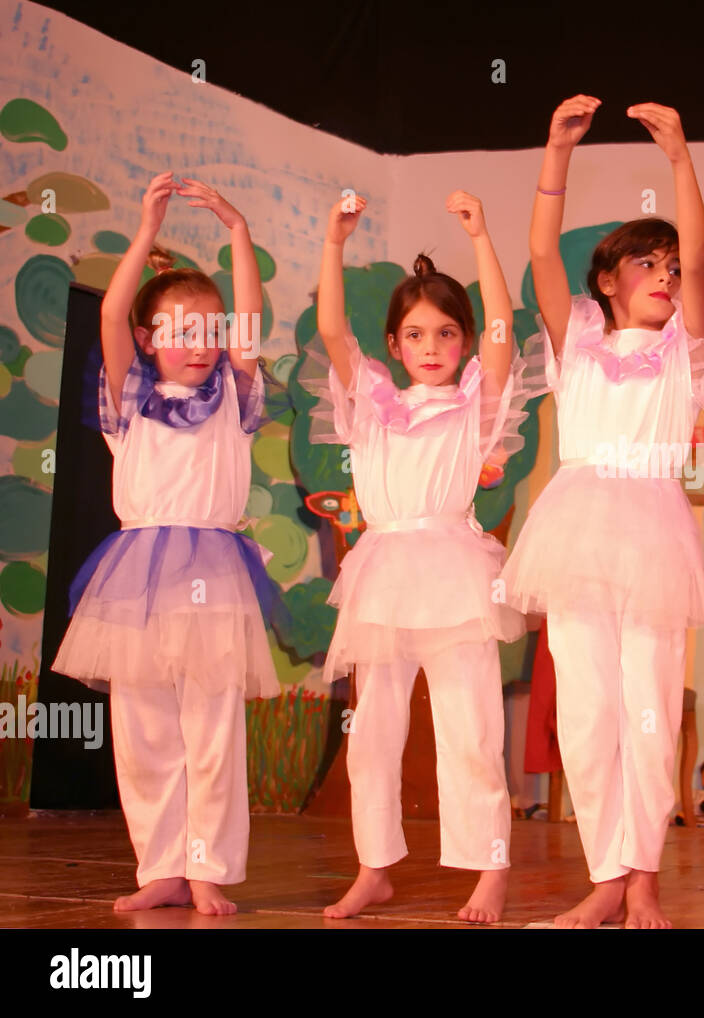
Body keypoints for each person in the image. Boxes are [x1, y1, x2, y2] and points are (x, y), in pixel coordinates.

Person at [500, 96, 704, 929]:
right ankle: (605, 878)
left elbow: (702, 266)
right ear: (606, 281)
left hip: (653, 529)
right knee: (589, 711)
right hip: (579, 530)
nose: (665, 275)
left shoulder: (686, 356)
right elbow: (536, 254)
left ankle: (644, 878)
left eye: (668, 264)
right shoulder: (577, 341)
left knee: (649, 707)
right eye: (646, 264)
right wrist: (557, 150)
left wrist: (679, 159)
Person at [309, 190, 544, 923]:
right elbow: (329, 327)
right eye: (416, 335)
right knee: (373, 729)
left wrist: (479, 235)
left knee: (469, 727)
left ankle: (490, 869)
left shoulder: (475, 405)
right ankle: (374, 864)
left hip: (451, 572)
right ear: (395, 345)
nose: (433, 346)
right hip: (383, 572)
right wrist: (334, 242)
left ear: (464, 343)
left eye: (447, 332)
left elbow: (506, 328)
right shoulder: (372, 405)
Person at [53, 171, 278, 915]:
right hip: (138, 572)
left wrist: (237, 229)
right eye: (182, 330)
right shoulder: (130, 401)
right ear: (151, 342)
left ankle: (209, 864)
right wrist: (146, 227)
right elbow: (113, 312)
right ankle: (161, 863)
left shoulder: (234, 401)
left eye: (210, 330)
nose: (201, 344)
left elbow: (249, 325)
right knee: (143, 726)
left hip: (211, 567)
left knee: (212, 727)